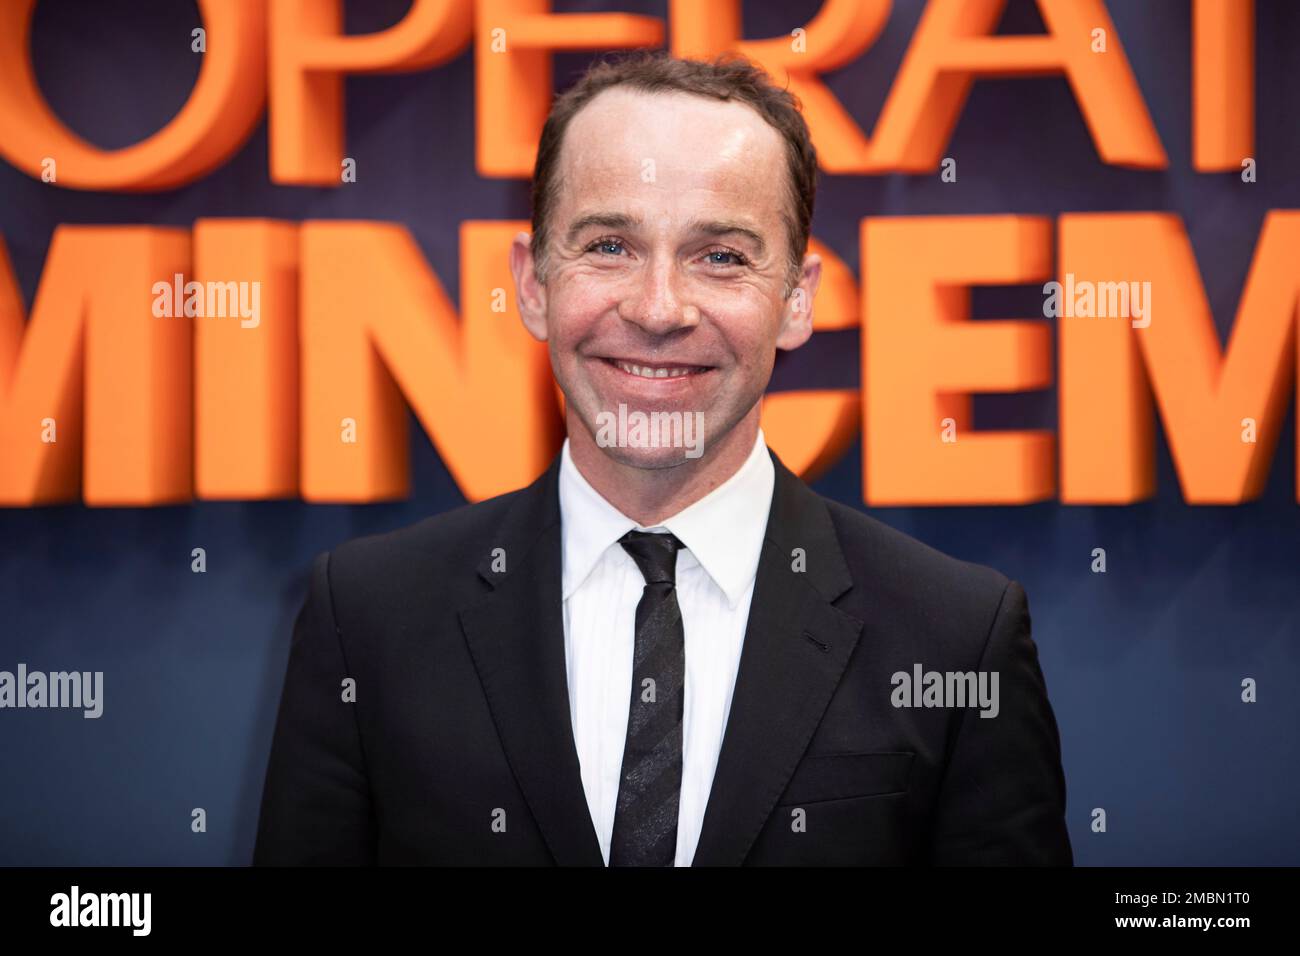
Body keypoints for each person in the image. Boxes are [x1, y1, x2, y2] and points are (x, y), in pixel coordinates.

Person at [253, 51, 1072, 866]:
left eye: (720, 256)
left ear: (797, 299)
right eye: (609, 245)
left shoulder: (956, 637)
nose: (657, 310)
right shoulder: (365, 619)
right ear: (532, 284)